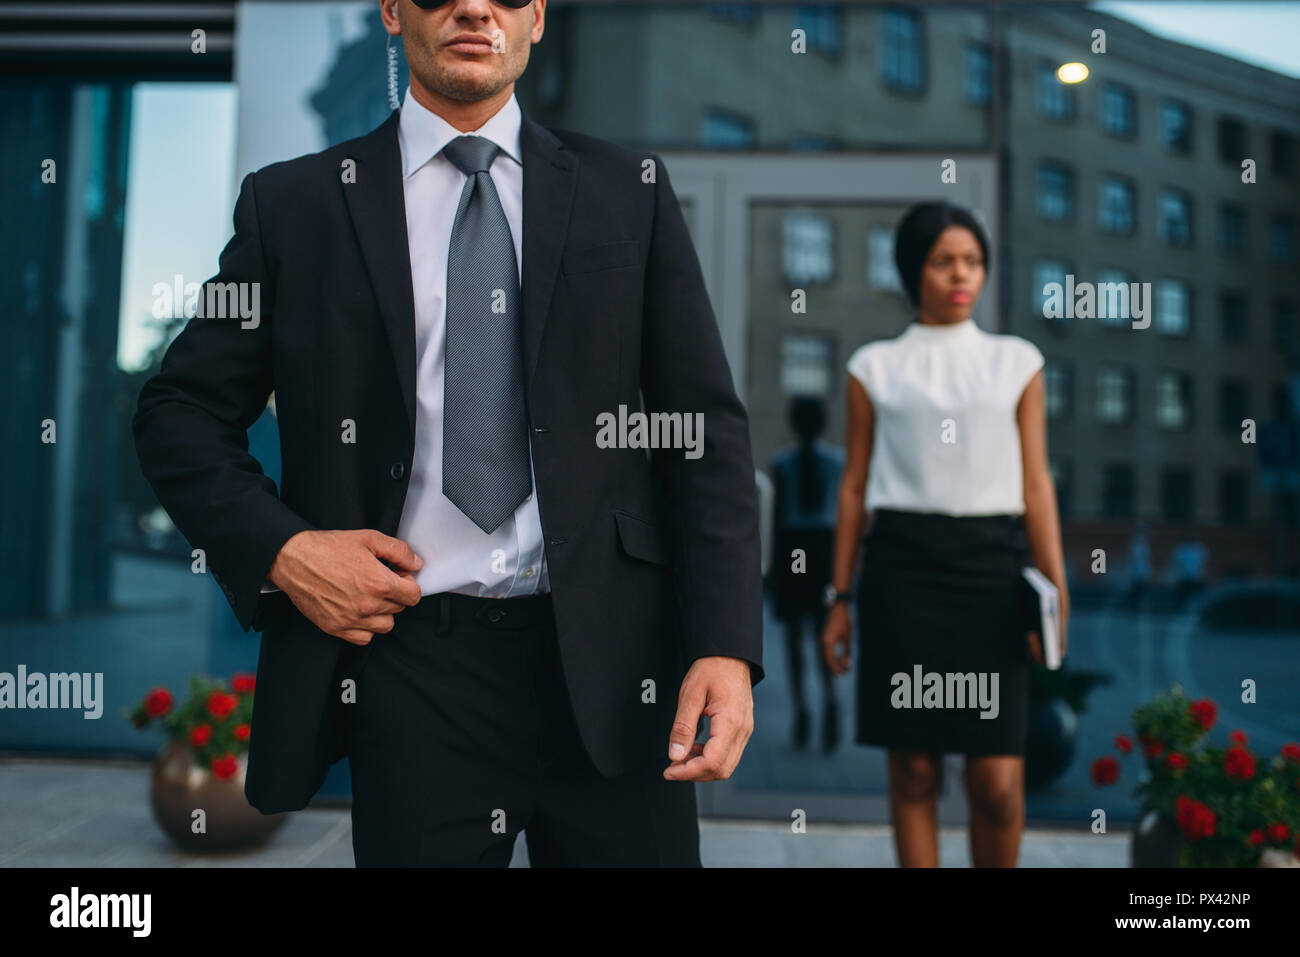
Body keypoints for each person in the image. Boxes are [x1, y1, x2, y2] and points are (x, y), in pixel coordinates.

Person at [132, 0, 763, 867]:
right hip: (409, 671)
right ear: (394, 11)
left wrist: (725, 642)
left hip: (615, 666)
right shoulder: (297, 206)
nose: (473, 6)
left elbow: (704, 436)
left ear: (536, 17)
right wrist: (285, 550)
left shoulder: (629, 192)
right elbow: (179, 414)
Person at [820, 201, 1070, 867]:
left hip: (992, 573)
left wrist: (1056, 585)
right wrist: (838, 598)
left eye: (973, 261)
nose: (962, 274)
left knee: (998, 784)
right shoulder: (873, 367)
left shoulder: (1018, 361)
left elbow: (1037, 484)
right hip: (902, 575)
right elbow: (852, 487)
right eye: (943, 261)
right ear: (913, 271)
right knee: (915, 774)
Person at [767, 397, 844, 751]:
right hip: (823, 549)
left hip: (795, 547)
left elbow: (778, 520)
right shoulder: (837, 463)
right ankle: (829, 699)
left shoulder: (782, 464)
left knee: (796, 634)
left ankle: (803, 706)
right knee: (820, 630)